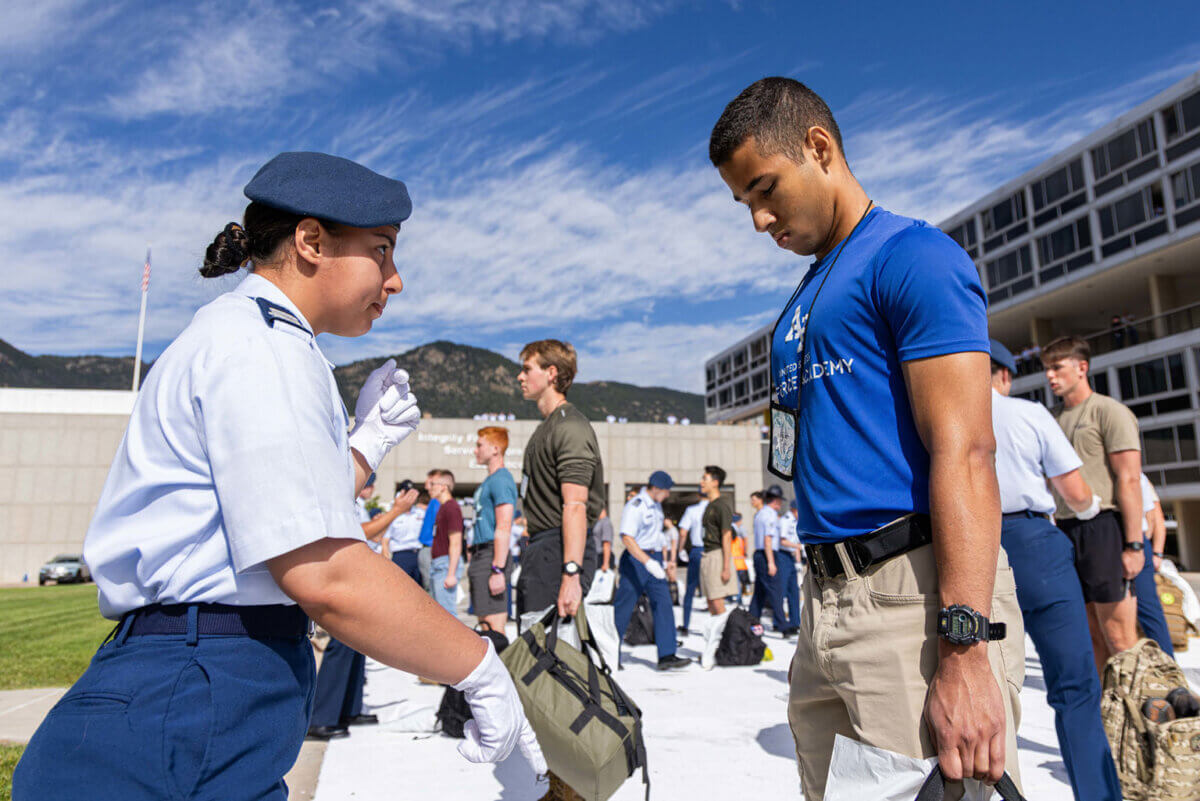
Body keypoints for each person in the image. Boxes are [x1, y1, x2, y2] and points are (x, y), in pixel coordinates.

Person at [13, 152, 543, 799]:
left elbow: (279, 517)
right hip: (193, 684)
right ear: (311, 241)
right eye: (382, 250)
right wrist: (479, 666)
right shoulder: (262, 345)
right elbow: (324, 572)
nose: (396, 279)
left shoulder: (257, 337)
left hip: (197, 679)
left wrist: (365, 445)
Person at [711, 78, 1024, 796]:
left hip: (912, 599)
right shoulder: (809, 290)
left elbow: (967, 452)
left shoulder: (912, 256)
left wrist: (965, 646)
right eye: (743, 203)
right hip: (825, 600)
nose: (758, 220)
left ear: (818, 147)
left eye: (765, 189)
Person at [988, 339, 1121, 801]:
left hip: (971, 546)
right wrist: (1090, 510)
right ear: (1005, 375)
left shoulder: (938, 415)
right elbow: (1075, 490)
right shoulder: (1027, 414)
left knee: (989, 689)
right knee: (1074, 686)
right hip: (1034, 546)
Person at [1043, 335, 1145, 673]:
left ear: (1081, 367)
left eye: (1057, 367)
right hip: (1065, 529)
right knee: (1089, 635)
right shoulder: (1050, 418)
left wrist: (1134, 545)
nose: (1050, 376)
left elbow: (1129, 480)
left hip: (1103, 527)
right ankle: (1105, 704)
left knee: (1119, 637)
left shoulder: (1109, 411)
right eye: (1047, 369)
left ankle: (1135, 706)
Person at [515, 340, 605, 621]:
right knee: (532, 640)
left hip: (559, 551)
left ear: (551, 373)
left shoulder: (570, 426)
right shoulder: (546, 428)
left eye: (527, 369)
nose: (520, 377)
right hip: (541, 550)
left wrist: (571, 573)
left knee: (553, 645)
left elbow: (575, 505)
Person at [613, 472, 691, 670]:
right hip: (637, 559)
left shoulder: (656, 505)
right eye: (666, 491)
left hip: (654, 559)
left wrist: (662, 561)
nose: (667, 495)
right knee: (624, 608)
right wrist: (647, 562)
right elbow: (627, 538)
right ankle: (610, 654)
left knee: (664, 603)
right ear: (655, 488)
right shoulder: (636, 506)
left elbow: (656, 535)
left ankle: (667, 654)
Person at [469, 427, 518, 632]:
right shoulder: (490, 481)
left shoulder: (501, 479)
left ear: (496, 449)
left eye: (479, 445)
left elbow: (504, 525)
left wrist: (497, 569)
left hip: (491, 556)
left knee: (493, 629)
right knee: (485, 626)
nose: (475, 450)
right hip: (482, 555)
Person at [697, 465, 738, 669]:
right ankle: (717, 646)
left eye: (705, 479)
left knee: (717, 601)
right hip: (706, 555)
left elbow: (727, 535)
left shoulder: (722, 505)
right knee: (711, 602)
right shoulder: (709, 505)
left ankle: (722, 647)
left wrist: (726, 565)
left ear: (715, 482)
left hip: (717, 555)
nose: (701, 482)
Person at [1136, 472, 1175, 657]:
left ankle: (1166, 663)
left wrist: (1157, 553)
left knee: (1148, 611)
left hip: (1141, 547)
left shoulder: (1140, 477)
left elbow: (1158, 519)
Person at [749, 485, 788, 634]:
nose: (781, 504)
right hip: (768, 554)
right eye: (780, 500)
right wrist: (771, 562)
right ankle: (783, 625)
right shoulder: (771, 515)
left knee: (759, 592)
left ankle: (751, 623)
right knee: (775, 590)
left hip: (759, 554)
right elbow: (768, 540)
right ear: (776, 500)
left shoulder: (760, 514)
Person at [429, 470, 464, 617]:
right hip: (439, 564)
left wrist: (451, 574)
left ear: (443, 487)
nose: (429, 488)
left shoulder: (452, 508)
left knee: (447, 615)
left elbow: (456, 542)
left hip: (445, 565)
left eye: (433, 484)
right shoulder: (443, 508)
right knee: (438, 615)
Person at [675, 492, 709, 635]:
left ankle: (686, 625)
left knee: (690, 589)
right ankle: (717, 627)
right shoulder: (717, 508)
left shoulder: (692, 510)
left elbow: (683, 532)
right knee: (713, 591)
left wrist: (680, 549)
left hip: (697, 550)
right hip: (712, 550)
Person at [387, 485, 427, 585]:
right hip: (400, 555)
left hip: (418, 554)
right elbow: (385, 539)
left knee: (419, 588)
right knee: (400, 587)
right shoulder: (392, 514)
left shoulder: (421, 513)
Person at [417, 469, 442, 592]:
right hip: (428, 547)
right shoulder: (433, 502)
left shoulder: (437, 502)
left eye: (430, 481)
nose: (426, 484)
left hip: (431, 548)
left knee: (431, 586)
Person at [594, 507, 614, 573]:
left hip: (601, 556)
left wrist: (605, 563)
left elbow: (607, 543)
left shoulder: (605, 522)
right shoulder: (597, 521)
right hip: (596, 556)